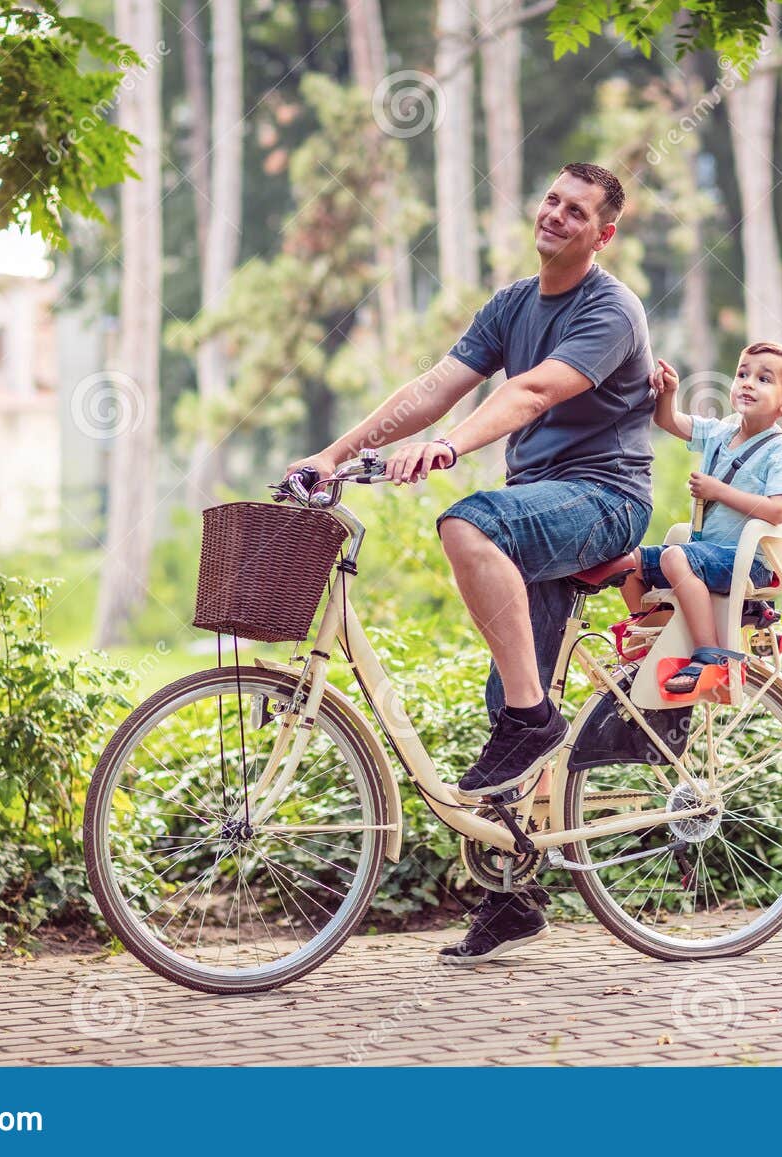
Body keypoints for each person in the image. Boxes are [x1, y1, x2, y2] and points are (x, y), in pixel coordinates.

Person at [284, 162, 653, 964]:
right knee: (509, 683)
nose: (556, 214)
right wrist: (337, 452)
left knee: (467, 523)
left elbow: (529, 396)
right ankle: (514, 894)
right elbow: (435, 387)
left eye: (577, 210)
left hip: (603, 500)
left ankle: (535, 718)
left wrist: (451, 447)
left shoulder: (611, 310)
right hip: (543, 509)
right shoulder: (514, 304)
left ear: (604, 233)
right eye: (552, 199)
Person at [621, 343, 782, 693]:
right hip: (704, 556)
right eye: (742, 374)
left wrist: (718, 490)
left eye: (763, 379)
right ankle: (652, 632)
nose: (748, 383)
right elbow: (668, 421)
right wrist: (669, 393)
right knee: (626, 562)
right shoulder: (721, 432)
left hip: (749, 561)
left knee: (675, 555)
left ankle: (711, 654)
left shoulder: (777, 449)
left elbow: (780, 510)